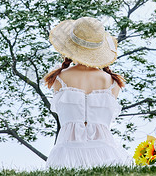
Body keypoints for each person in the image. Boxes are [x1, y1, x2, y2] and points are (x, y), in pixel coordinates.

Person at [44, 17, 133, 169]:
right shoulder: (112, 83)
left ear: (71, 47)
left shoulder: (59, 78)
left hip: (67, 153)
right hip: (105, 153)